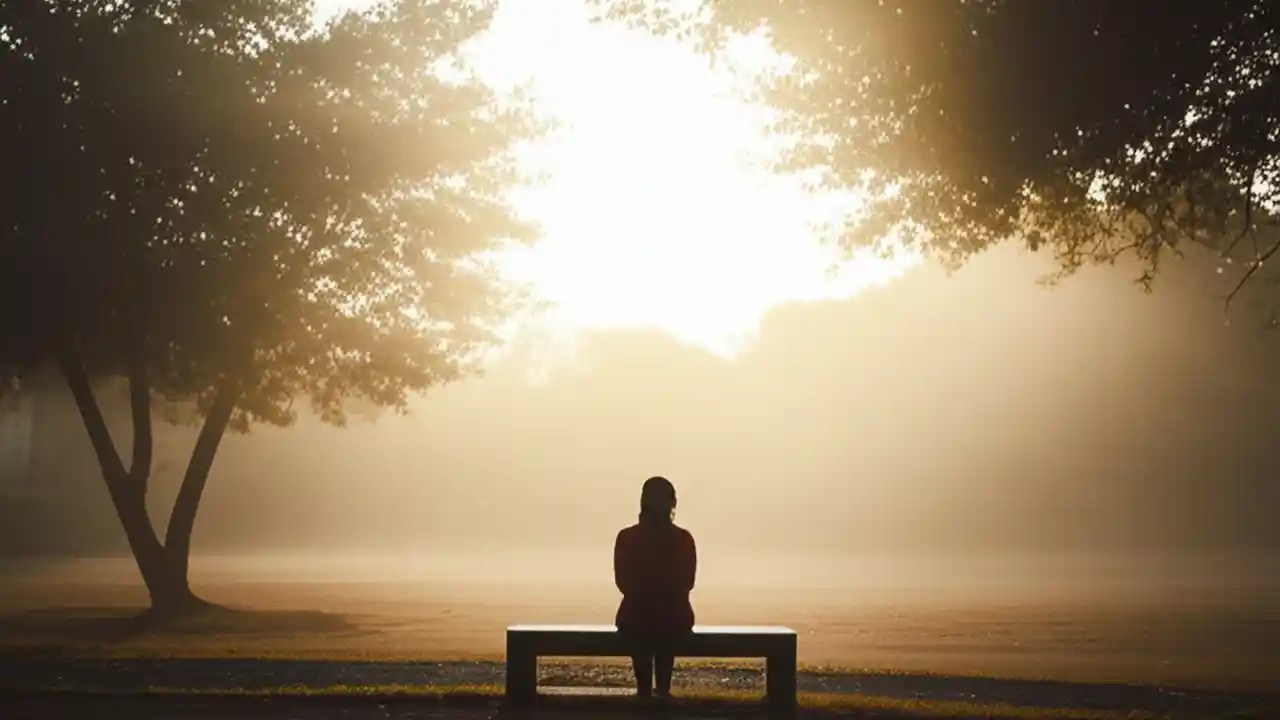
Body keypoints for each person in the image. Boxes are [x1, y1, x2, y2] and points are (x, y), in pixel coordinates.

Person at [613, 476, 697, 700]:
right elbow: (687, 583)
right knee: (664, 627)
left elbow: (623, 583)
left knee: (643, 627)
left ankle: (644, 690)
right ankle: (662, 689)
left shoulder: (626, 538)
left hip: (636, 616)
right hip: (674, 617)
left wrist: (647, 595)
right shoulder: (683, 539)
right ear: (672, 503)